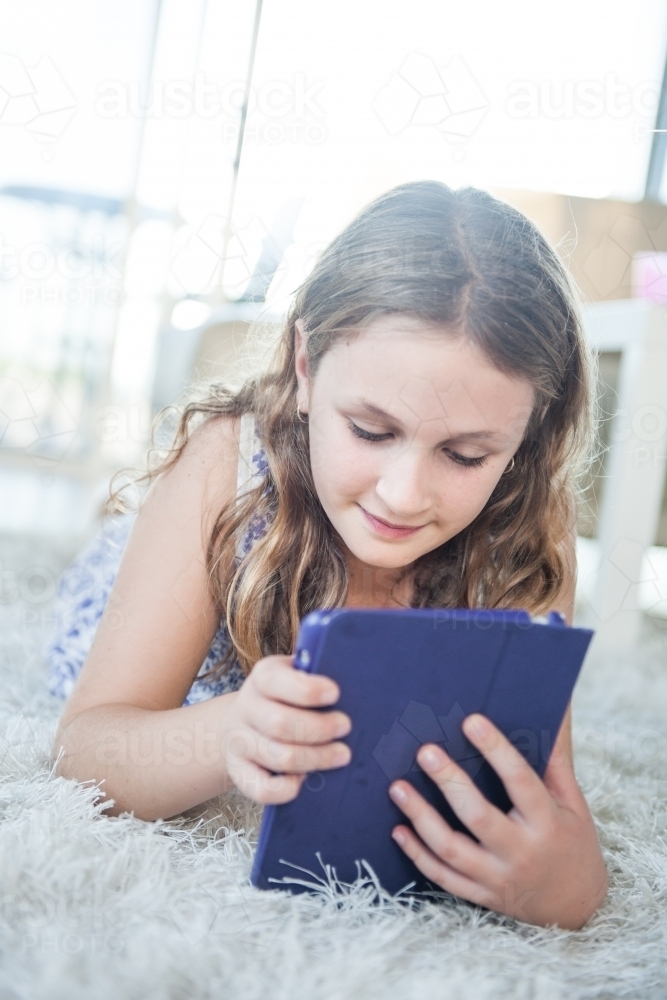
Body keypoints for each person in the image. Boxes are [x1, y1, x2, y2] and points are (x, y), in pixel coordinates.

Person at [49, 181, 608, 930]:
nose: (404, 494)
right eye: (371, 432)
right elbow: (84, 749)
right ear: (306, 367)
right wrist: (225, 732)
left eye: (465, 454)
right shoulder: (229, 468)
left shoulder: (527, 532)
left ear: (527, 436)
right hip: (180, 566)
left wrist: (567, 886)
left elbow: (547, 797)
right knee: (133, 559)